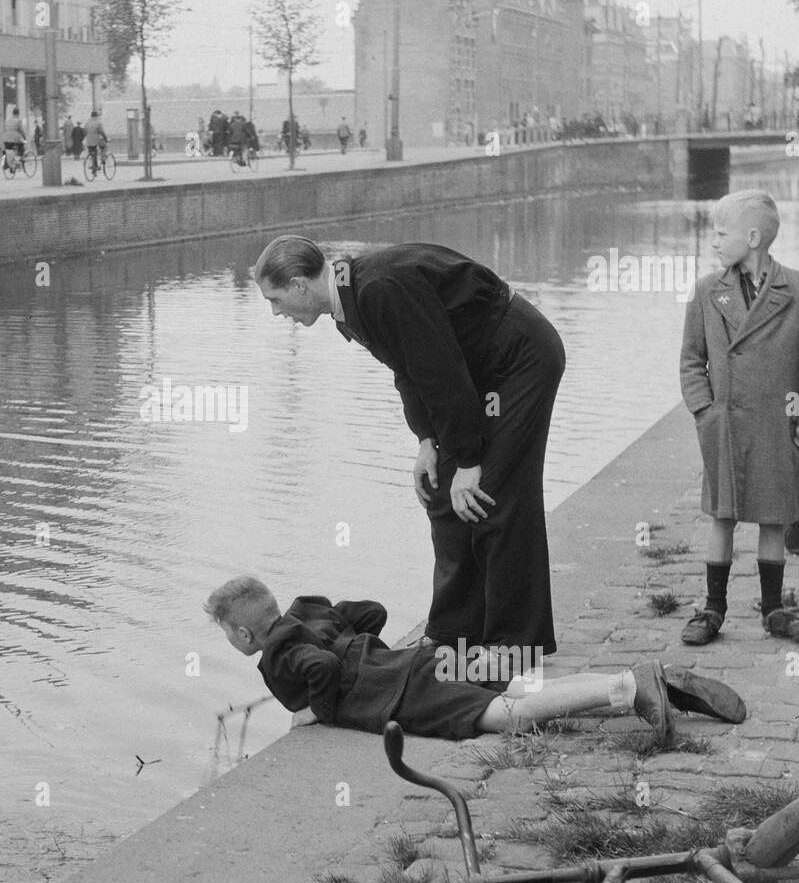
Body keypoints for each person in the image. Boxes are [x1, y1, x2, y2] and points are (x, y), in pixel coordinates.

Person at [253, 236, 566, 666]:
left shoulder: (378, 289)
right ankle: (454, 635)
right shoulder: (349, 298)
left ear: (298, 285)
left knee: (494, 495)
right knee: (442, 493)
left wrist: (470, 461)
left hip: (518, 359)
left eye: (275, 299)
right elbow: (409, 367)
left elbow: (440, 371)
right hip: (476, 367)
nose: (276, 312)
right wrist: (427, 441)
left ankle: (513, 647)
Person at [205, 578, 747, 744]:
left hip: (407, 695)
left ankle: (631, 688)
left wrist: (319, 711)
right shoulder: (308, 610)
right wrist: (361, 651)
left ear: (243, 632)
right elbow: (371, 610)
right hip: (422, 660)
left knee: (510, 718)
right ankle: (641, 684)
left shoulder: (277, 654)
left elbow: (318, 672)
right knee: (521, 694)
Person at [679, 190, 799, 645]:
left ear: (752, 237)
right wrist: (704, 410)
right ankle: (712, 609)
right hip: (725, 424)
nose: (714, 243)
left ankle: (774, 610)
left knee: (774, 517)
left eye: (721, 234)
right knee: (722, 517)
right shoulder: (708, 291)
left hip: (777, 424)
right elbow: (691, 358)